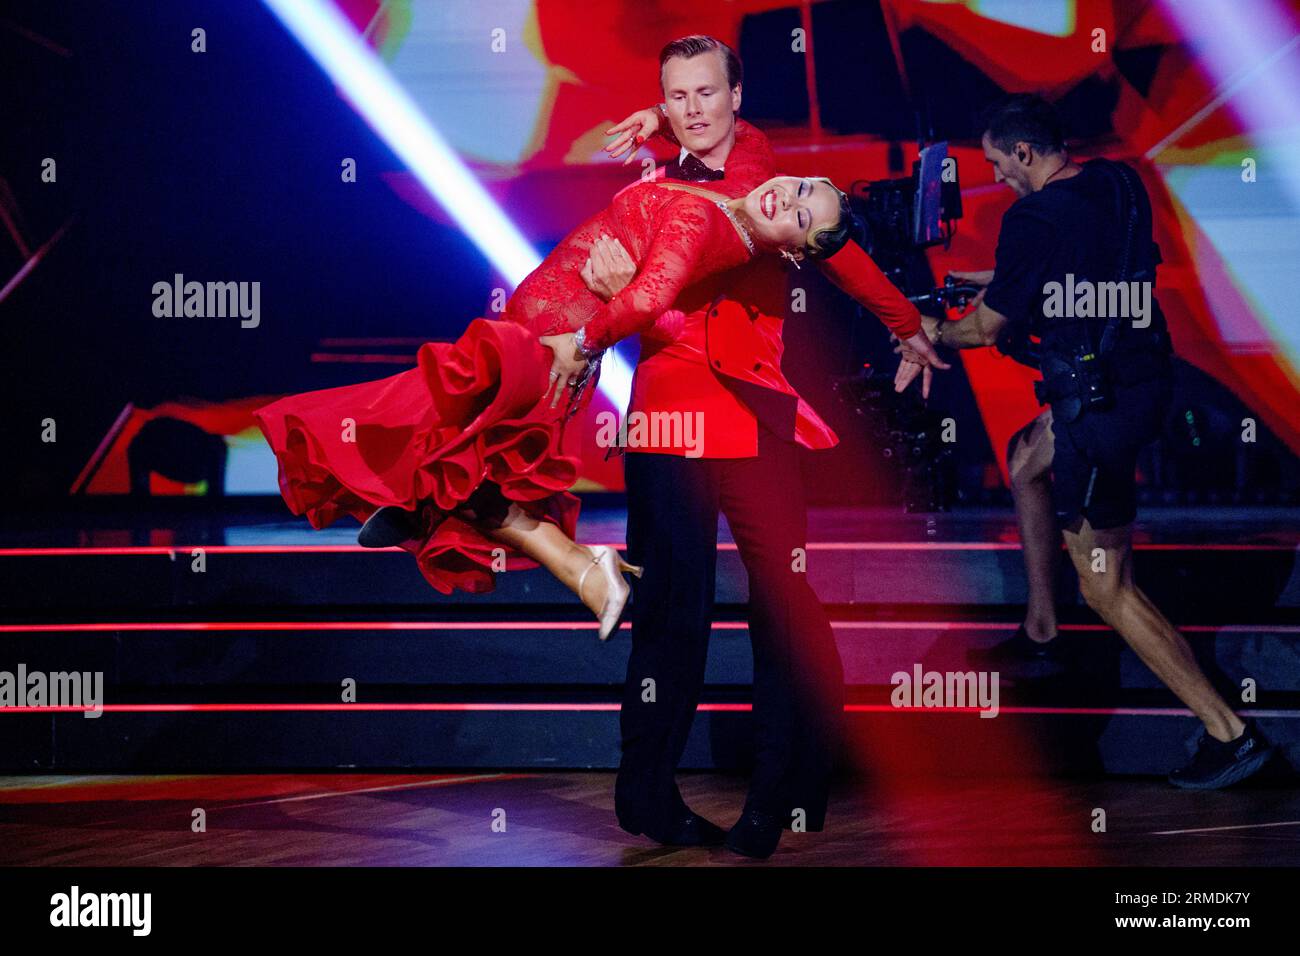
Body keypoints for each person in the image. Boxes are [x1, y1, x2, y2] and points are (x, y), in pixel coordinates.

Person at [589, 35, 946, 857]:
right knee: (668, 618)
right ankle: (646, 794)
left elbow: (840, 251)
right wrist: (617, 300)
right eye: (676, 95)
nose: (693, 109)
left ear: (736, 97)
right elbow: (619, 294)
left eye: (706, 92)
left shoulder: (764, 170)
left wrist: (905, 324)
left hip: (754, 420)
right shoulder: (652, 185)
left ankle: (778, 796)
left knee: (783, 606)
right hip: (666, 423)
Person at [253, 171, 859, 645]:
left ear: (794, 254)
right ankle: (551, 558)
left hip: (546, 349)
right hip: (539, 335)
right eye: (801, 186)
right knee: (453, 453)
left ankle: (525, 547)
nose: (789, 199)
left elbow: (651, 295)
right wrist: (657, 114)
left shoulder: (709, 224)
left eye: (802, 217)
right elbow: (737, 135)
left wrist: (589, 341)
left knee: (403, 421)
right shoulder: (733, 197)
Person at [899, 93, 1274, 789]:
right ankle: (1042, 630)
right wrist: (993, 282)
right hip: (1141, 376)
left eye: (997, 163)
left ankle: (1232, 733)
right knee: (1024, 458)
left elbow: (986, 331)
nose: (997, 176)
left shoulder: (1032, 216)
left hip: (1097, 408)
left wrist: (919, 335)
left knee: (1108, 588)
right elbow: (1083, 269)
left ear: (1025, 153)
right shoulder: (1114, 182)